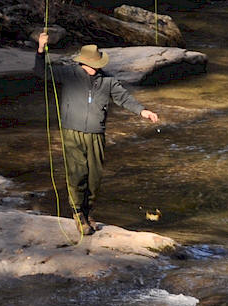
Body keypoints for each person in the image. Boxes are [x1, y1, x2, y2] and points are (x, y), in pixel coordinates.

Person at [35, 30, 159, 235]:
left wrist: (142, 111)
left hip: (96, 133)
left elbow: (123, 97)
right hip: (72, 131)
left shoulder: (107, 80)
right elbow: (42, 72)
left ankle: (88, 211)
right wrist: (41, 48)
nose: (93, 68)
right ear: (82, 63)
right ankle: (78, 214)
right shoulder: (69, 73)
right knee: (77, 173)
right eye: (90, 65)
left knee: (94, 177)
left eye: (96, 65)